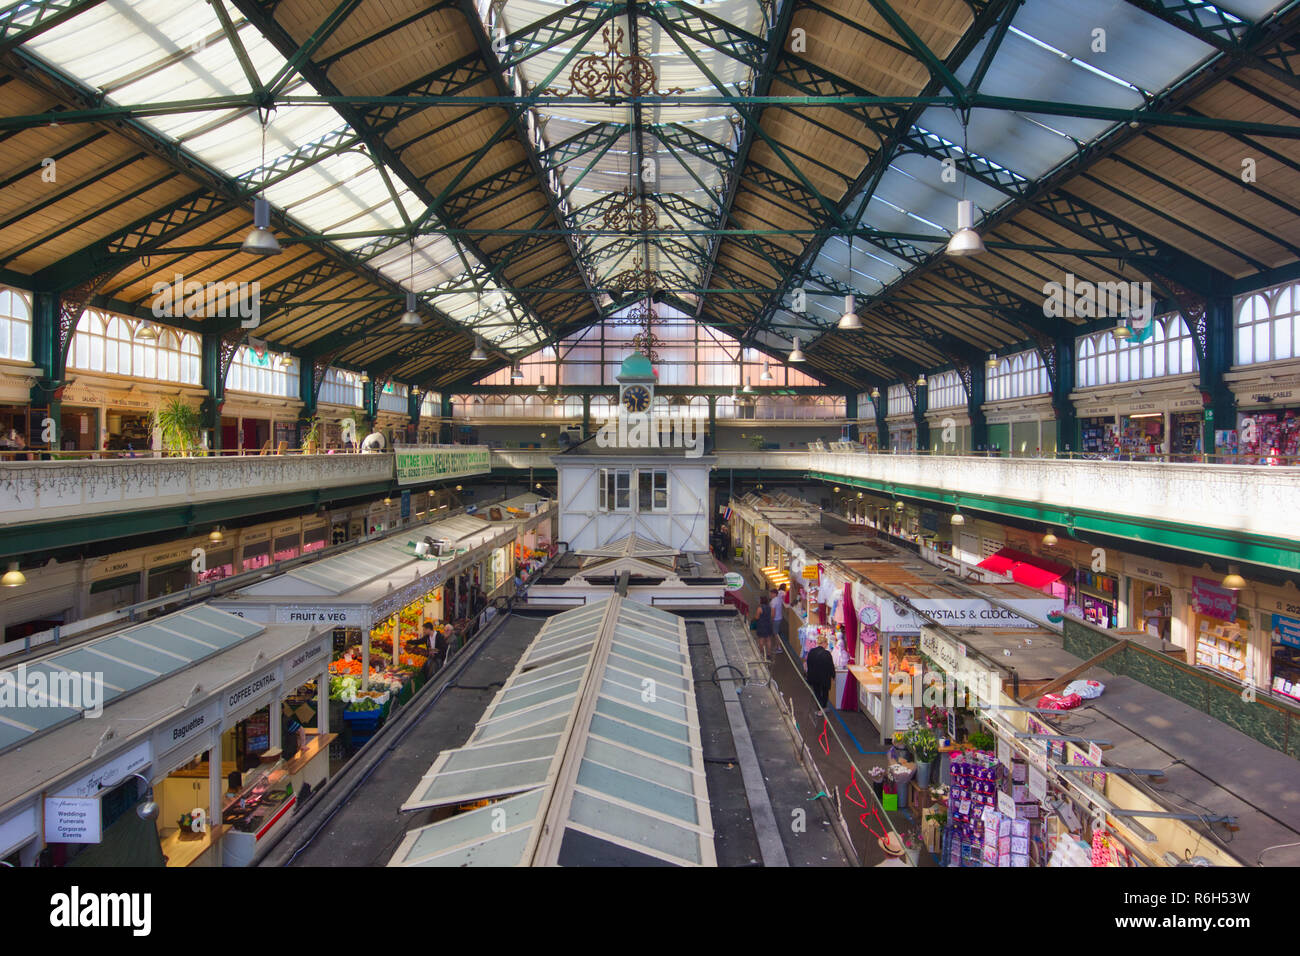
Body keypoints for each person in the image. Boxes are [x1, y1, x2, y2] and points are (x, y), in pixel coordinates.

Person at [806, 634, 836, 710]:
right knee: (825, 692)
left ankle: (819, 709)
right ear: (823, 643)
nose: (827, 645)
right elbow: (831, 666)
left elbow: (808, 664)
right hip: (824, 678)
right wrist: (833, 676)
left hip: (814, 677)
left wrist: (809, 675)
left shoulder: (811, 652)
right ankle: (824, 707)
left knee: (817, 693)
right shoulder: (827, 654)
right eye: (827, 643)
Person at [769, 587, 785, 654]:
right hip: (780, 618)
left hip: (775, 619)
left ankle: (779, 648)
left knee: (776, 634)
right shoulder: (779, 599)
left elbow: (773, 612)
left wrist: (771, 620)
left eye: (771, 594)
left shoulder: (773, 601)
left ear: (774, 594)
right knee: (777, 633)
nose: (770, 595)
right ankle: (776, 646)